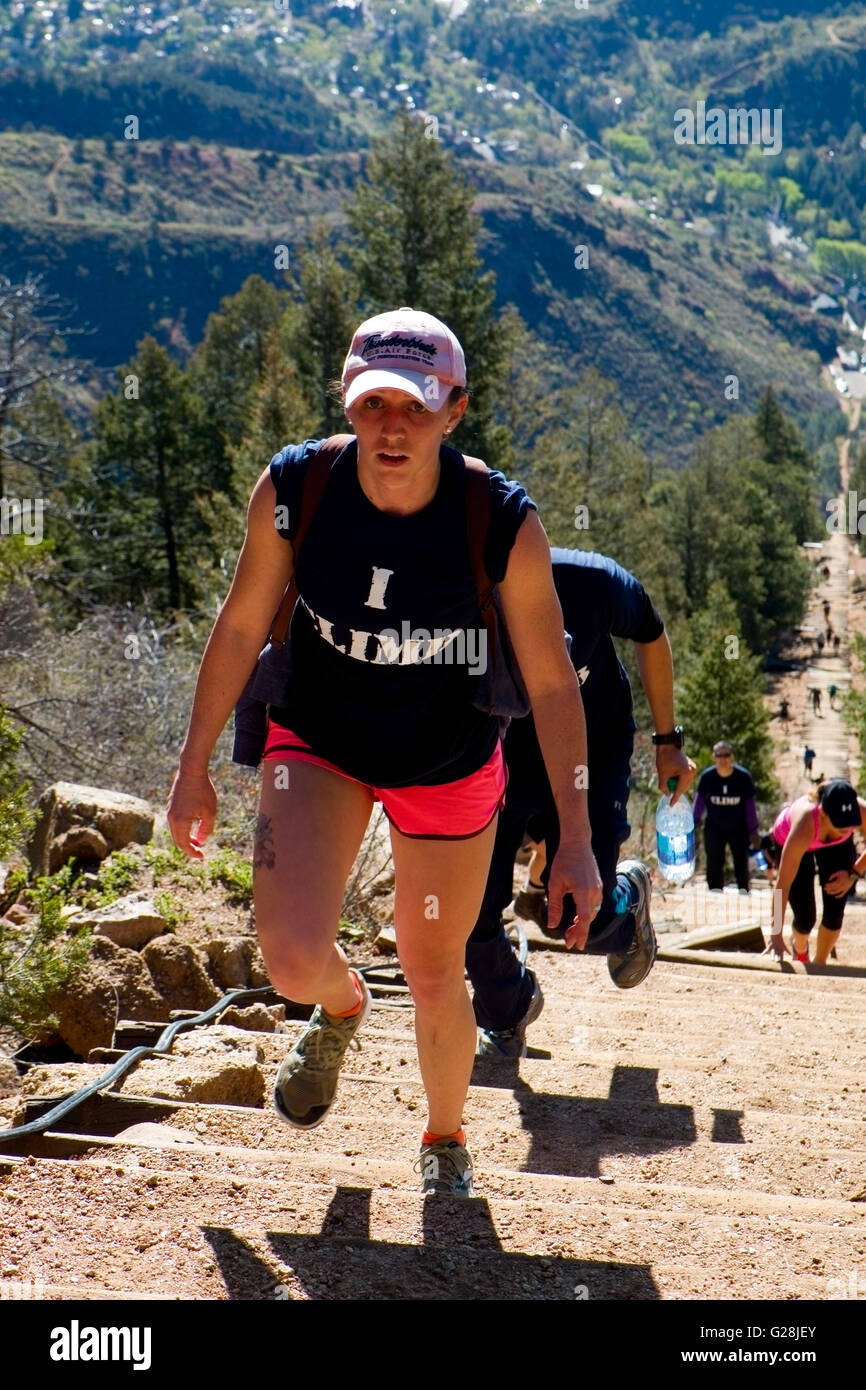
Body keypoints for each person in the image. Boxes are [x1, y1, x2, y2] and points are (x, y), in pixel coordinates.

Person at [166, 306, 602, 1198]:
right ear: (347, 403)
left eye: (414, 406)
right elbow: (245, 620)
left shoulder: (499, 523)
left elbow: (556, 684)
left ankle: (444, 1141)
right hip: (319, 738)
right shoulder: (297, 490)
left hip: (446, 760)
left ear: (456, 410)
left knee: (434, 965)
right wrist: (191, 763)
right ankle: (340, 1005)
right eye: (372, 405)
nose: (390, 426)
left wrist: (578, 836)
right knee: (289, 959)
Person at [465, 549, 695, 1057]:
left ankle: (627, 897)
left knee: (572, 919)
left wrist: (668, 743)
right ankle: (508, 1008)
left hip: (594, 745)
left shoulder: (595, 583)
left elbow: (651, 634)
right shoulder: (468, 589)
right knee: (467, 904)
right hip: (504, 749)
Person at [765, 779, 866, 964]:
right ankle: (800, 948)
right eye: (840, 826)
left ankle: (820, 963)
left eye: (849, 826)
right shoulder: (805, 823)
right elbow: (782, 884)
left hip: (834, 846)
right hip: (793, 837)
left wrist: (853, 874)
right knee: (805, 918)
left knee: (835, 909)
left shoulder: (859, 810)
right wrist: (776, 936)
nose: (844, 831)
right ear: (824, 814)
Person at [693, 741, 759, 892]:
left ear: (732, 757)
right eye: (719, 755)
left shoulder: (743, 777)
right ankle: (715, 892)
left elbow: (750, 807)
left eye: (726, 755)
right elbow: (698, 805)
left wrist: (753, 831)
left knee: (741, 862)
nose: (723, 759)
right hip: (715, 827)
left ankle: (744, 891)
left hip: (738, 827)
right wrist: (692, 825)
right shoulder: (707, 778)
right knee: (714, 862)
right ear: (714, 757)